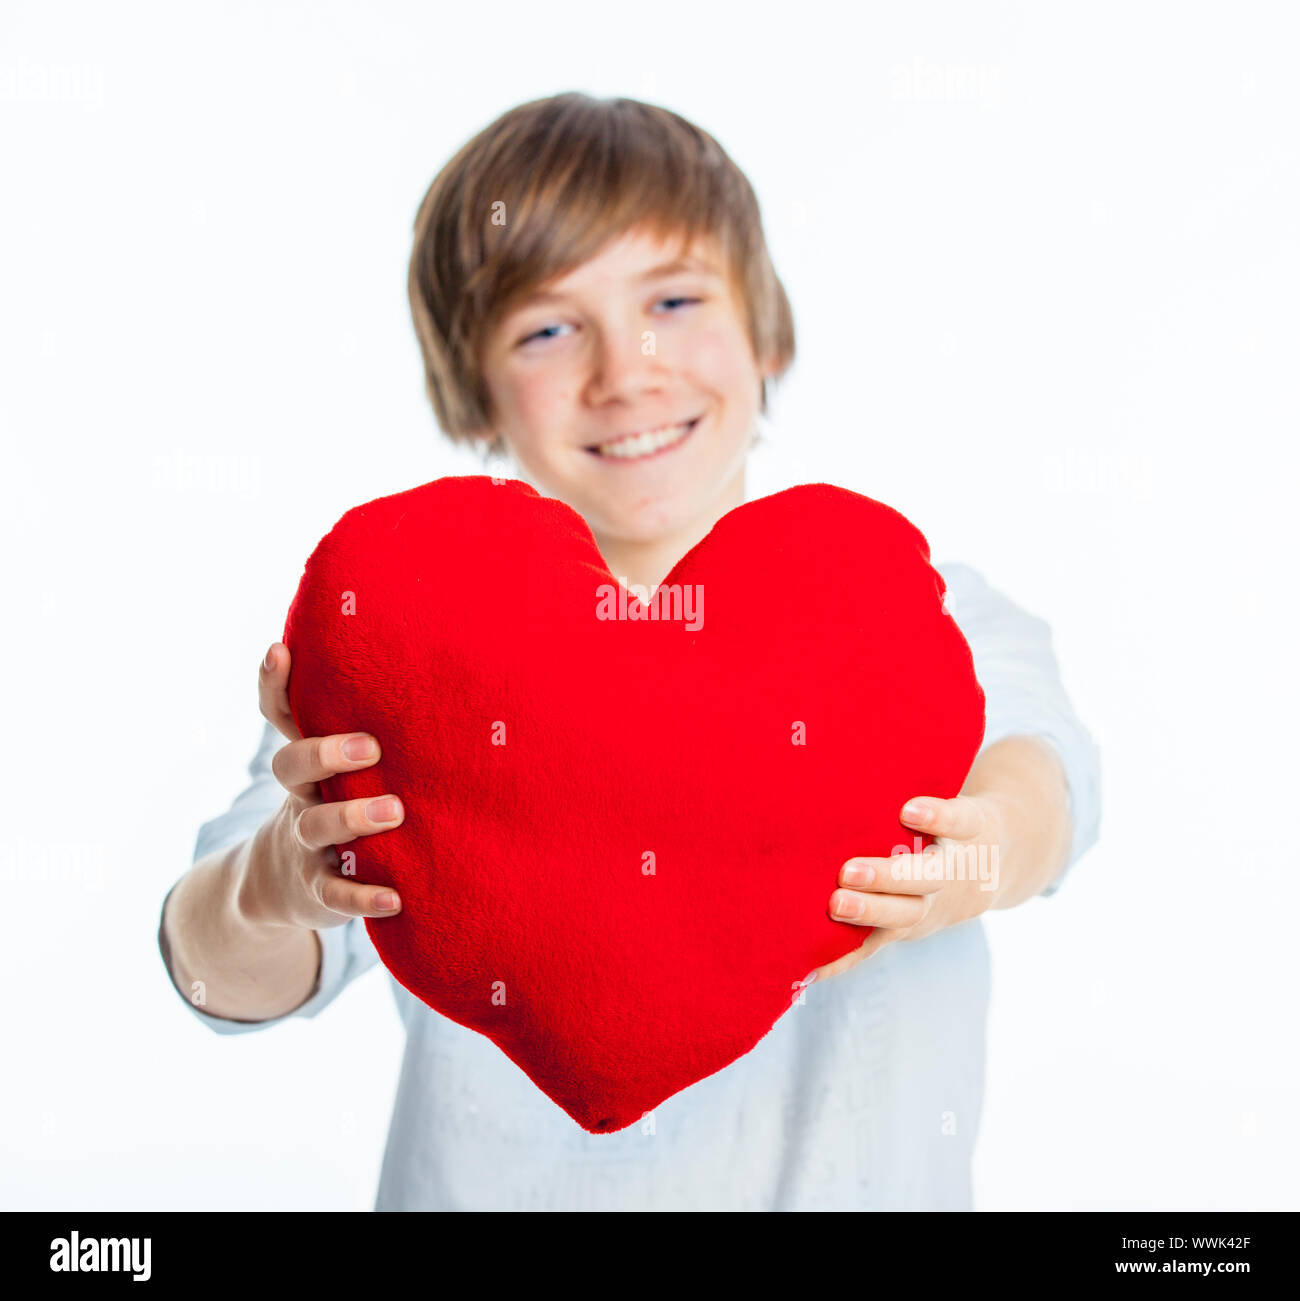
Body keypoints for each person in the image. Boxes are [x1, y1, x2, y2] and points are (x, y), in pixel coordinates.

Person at [158, 92, 1101, 1211]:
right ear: (472, 393)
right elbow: (215, 974)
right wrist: (270, 890)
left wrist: (978, 849)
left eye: (673, 299)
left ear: (768, 333)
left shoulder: (907, 620)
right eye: (548, 328)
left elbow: (1050, 781)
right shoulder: (411, 661)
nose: (626, 371)